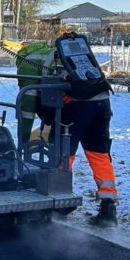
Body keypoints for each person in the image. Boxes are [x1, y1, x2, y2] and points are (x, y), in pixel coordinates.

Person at [24, 32, 119, 226]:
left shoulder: (42, 65)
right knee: (99, 154)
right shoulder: (75, 59)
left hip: (77, 106)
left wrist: (44, 123)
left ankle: (59, 204)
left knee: (62, 152)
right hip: (102, 102)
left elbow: (41, 101)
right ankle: (108, 208)